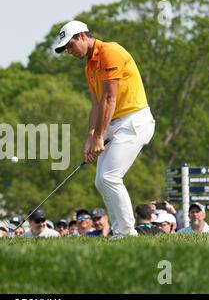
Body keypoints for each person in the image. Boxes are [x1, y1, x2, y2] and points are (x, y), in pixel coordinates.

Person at [54, 21, 155, 237]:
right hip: (116, 122)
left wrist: (100, 136)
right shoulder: (89, 67)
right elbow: (97, 105)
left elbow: (110, 98)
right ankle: (122, 231)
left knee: (109, 177)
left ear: (82, 36)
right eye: (66, 50)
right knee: (101, 180)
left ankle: (126, 232)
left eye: (70, 46)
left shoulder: (110, 52)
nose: (69, 52)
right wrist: (90, 137)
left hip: (134, 120)